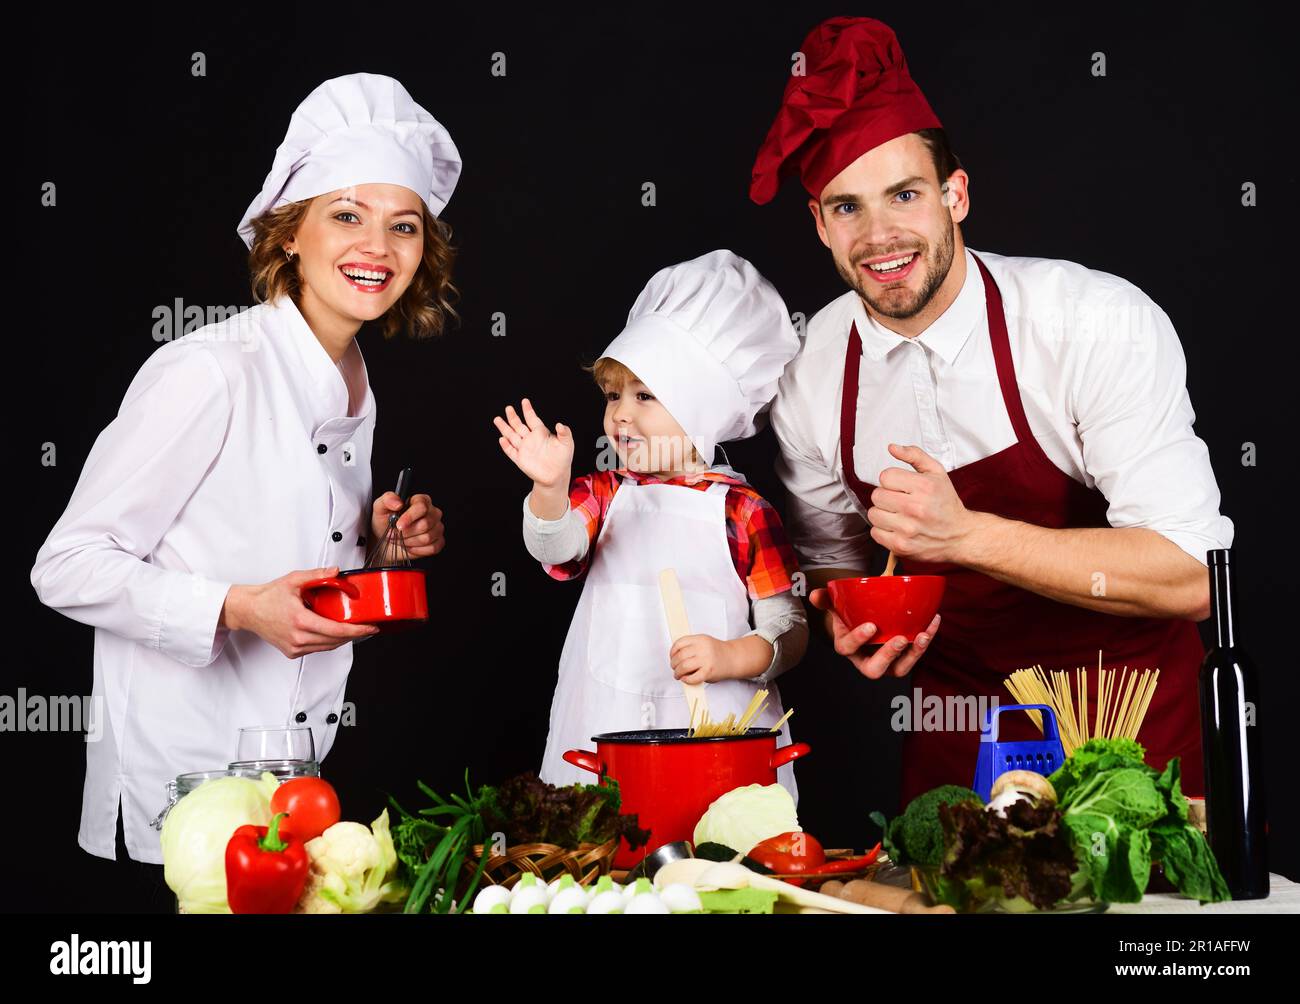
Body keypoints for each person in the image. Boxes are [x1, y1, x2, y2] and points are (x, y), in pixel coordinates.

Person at [751, 18, 1232, 806]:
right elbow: (834, 558)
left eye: (905, 195)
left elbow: (1190, 575)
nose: (879, 237)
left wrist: (966, 536)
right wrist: (850, 618)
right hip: (959, 734)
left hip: (1126, 728)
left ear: (956, 194)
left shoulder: (1089, 321)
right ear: (819, 225)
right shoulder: (809, 372)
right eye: (847, 208)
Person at [30, 73, 455, 873]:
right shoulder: (210, 371)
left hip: (291, 776)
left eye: (404, 226)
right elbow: (66, 567)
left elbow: (284, 543)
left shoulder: (352, 379)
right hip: (181, 781)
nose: (377, 246)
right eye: (346, 215)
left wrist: (381, 550)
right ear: (289, 234)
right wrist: (237, 608)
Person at [493, 250, 810, 795]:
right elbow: (557, 546)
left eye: (645, 396)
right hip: (602, 728)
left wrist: (731, 656)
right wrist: (548, 488)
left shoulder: (743, 511)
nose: (619, 415)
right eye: (613, 396)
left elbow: (789, 628)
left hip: (720, 734)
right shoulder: (604, 493)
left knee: (714, 852)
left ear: (701, 410)